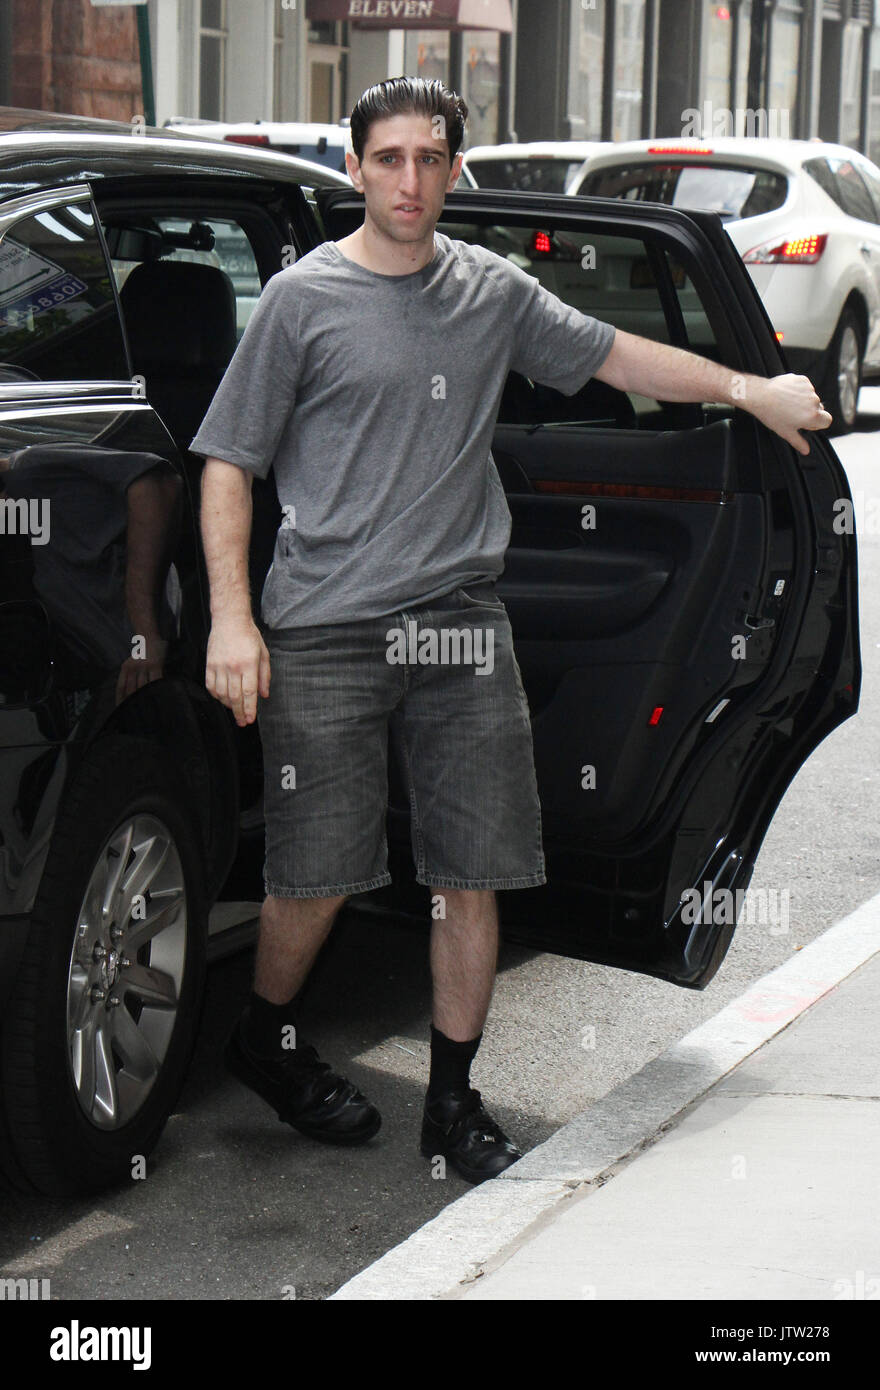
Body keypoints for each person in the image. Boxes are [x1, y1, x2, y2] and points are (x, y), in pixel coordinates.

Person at [190, 77, 831, 1185]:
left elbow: (621, 358)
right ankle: (267, 1037)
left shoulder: (489, 291)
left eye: (430, 159)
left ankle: (453, 1101)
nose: (408, 180)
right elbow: (227, 463)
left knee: (471, 871)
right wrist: (233, 619)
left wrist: (747, 389)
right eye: (387, 158)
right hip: (326, 627)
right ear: (355, 169)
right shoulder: (301, 299)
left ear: (451, 168)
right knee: (318, 876)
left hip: (459, 622)